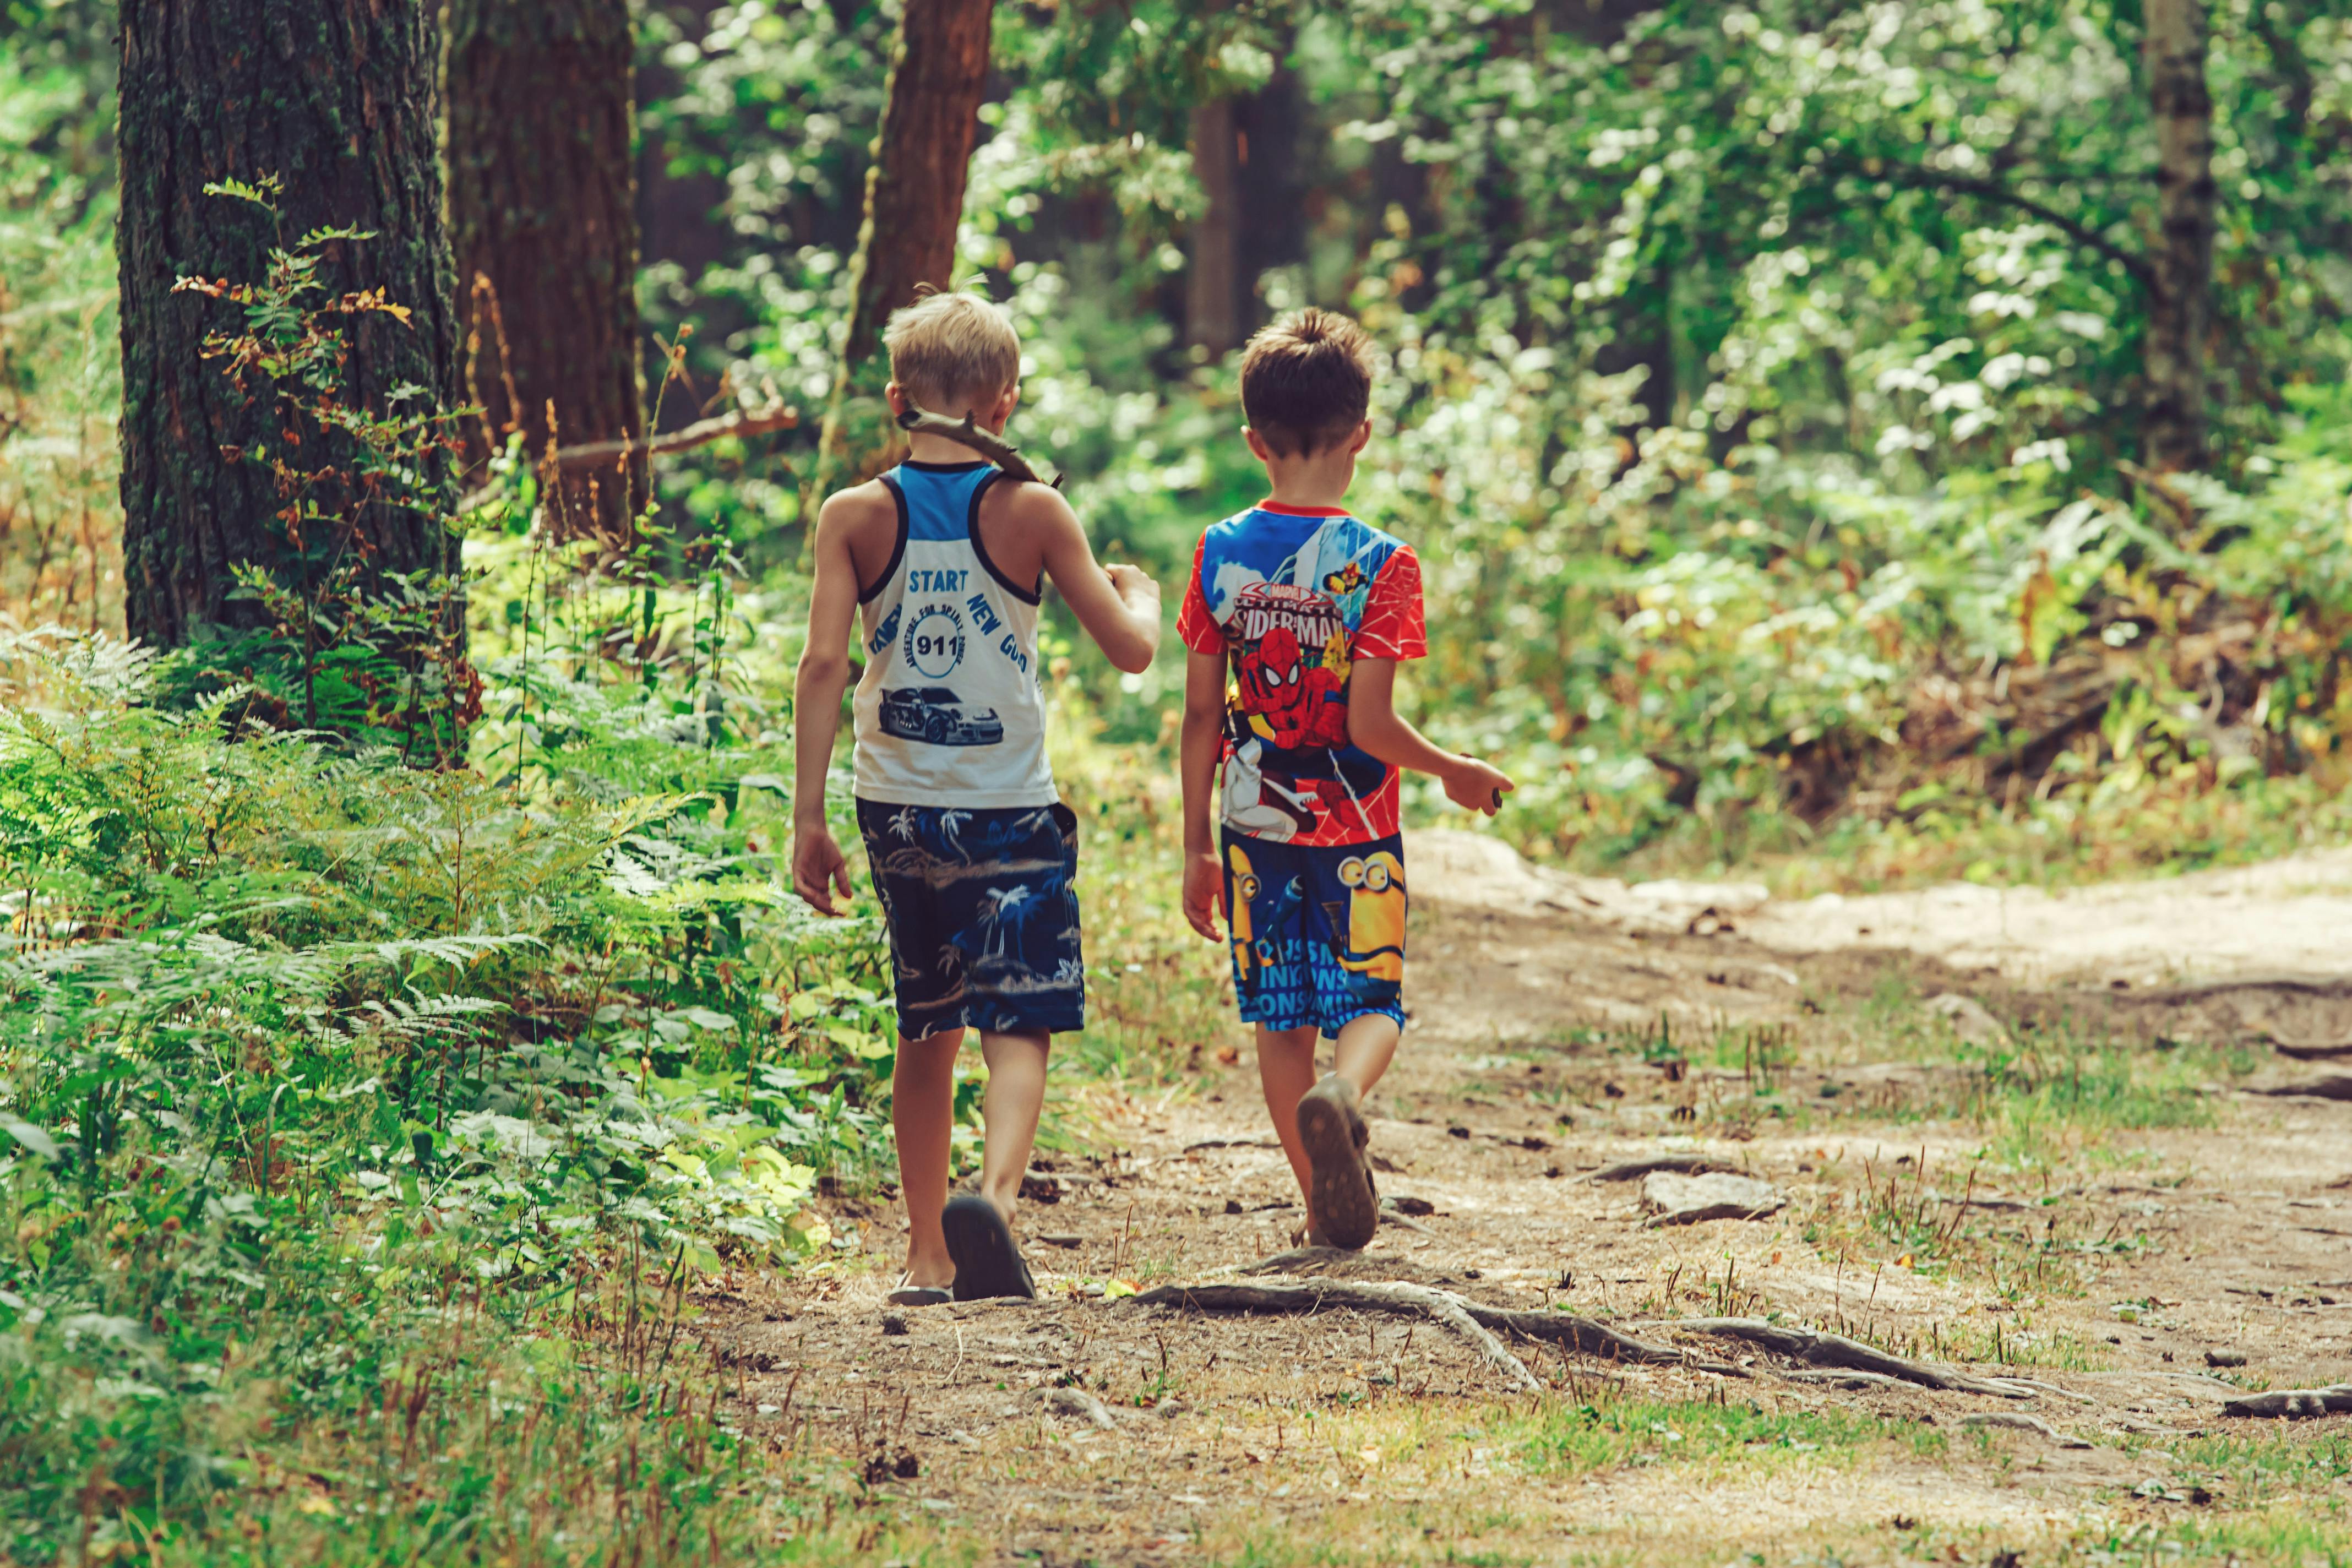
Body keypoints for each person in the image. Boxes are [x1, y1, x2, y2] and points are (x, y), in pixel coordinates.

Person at [791, 288, 1161, 1302]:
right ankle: (992, 1202)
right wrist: (1144, 594)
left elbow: (824, 664)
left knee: (925, 1026)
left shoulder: (855, 515)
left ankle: (925, 1254)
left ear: (897, 399)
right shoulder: (1034, 509)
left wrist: (808, 816)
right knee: (1018, 1022)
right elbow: (1130, 653)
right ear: (1003, 406)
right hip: (1011, 808)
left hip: (897, 808)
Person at [1177, 308, 1513, 1250]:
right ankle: (1348, 1094)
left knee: (1279, 1020)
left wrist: (1196, 847)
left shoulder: (1218, 551)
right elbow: (1368, 724)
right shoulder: (1384, 565)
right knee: (1371, 1002)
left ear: (1254, 441)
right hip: (1355, 829)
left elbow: (1203, 715)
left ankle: (1320, 1202)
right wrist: (1452, 769)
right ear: (1362, 434)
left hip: (1251, 823)